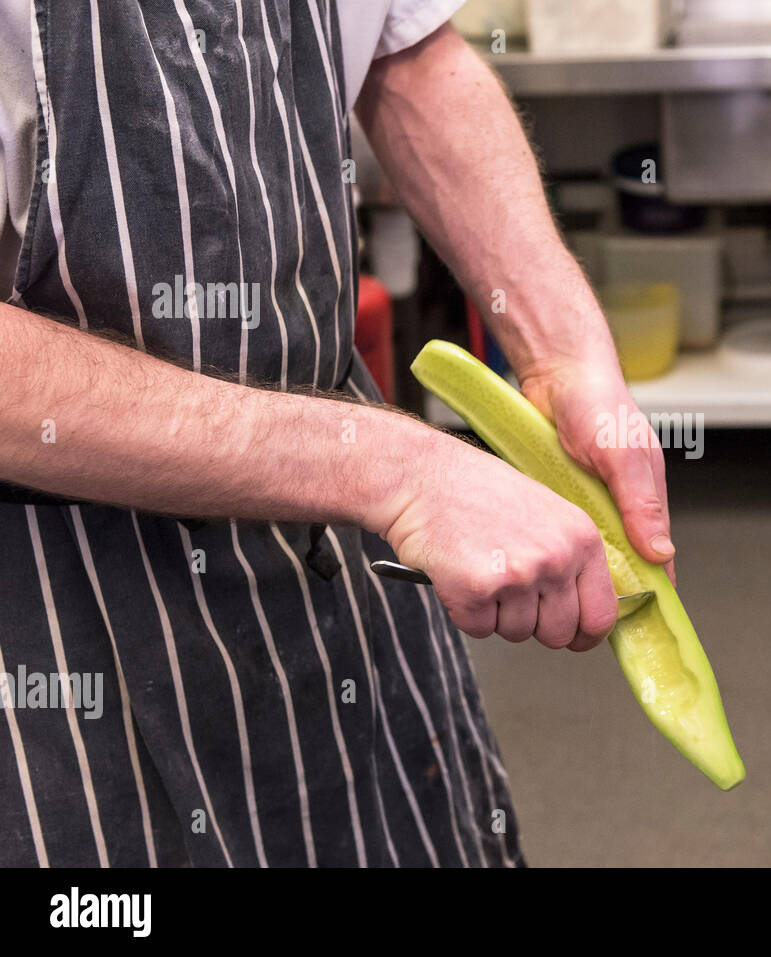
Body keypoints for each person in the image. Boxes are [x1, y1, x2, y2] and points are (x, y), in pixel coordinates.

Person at [0, 1, 673, 867]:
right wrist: (393, 467)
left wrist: (562, 346)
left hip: (325, 567)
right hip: (51, 626)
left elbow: (409, 57)